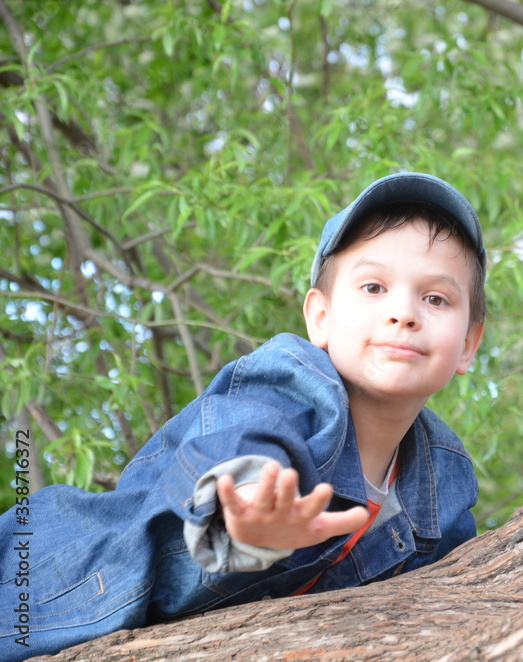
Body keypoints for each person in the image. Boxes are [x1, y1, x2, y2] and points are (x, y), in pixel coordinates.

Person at [0, 172, 486, 660]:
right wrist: (250, 501)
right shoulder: (291, 378)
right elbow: (247, 431)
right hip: (47, 588)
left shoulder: (445, 483)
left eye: (436, 298)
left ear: (467, 344)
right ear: (320, 317)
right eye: (374, 287)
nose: (403, 312)